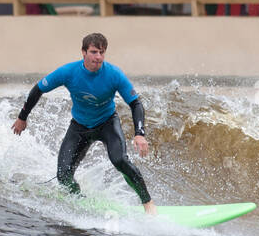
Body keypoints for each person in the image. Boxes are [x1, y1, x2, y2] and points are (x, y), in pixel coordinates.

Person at [11, 32, 157, 215]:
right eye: (94, 52)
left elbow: (135, 103)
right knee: (63, 176)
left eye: (102, 53)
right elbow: (38, 89)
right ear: (83, 52)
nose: (98, 57)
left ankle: (148, 203)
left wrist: (140, 133)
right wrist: (22, 117)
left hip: (107, 124)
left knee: (120, 160)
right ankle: (80, 203)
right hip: (79, 128)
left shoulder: (114, 74)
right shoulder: (68, 72)